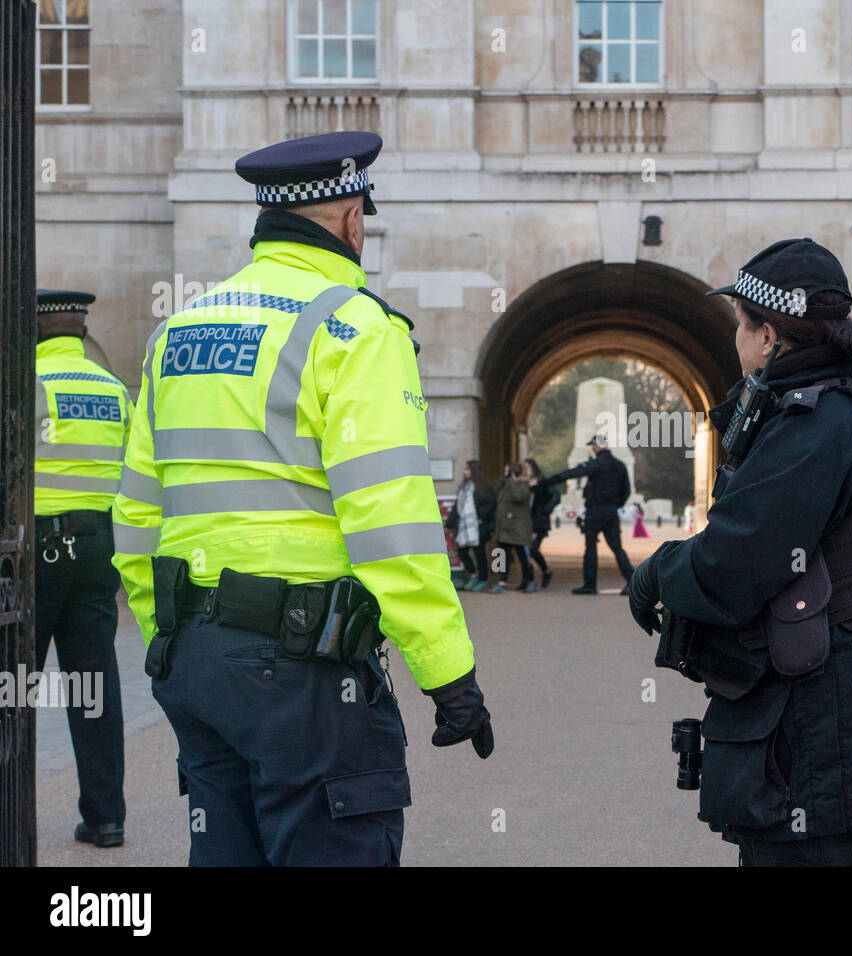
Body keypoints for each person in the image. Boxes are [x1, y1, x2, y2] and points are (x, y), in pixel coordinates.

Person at [111, 131, 494, 867]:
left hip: (193, 660)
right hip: (304, 673)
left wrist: (168, 634)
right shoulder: (353, 329)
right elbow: (392, 525)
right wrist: (450, 677)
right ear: (352, 217)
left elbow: (135, 514)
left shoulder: (178, 332)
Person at [626, 238, 852, 867]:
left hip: (821, 726)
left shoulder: (821, 424)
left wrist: (658, 572)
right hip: (846, 719)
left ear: (770, 337)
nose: (737, 343)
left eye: (740, 328)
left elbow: (737, 563)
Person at [33, 290, 128, 849]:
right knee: (94, 684)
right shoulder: (113, 390)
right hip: (98, 550)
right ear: (78, 328)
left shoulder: (27, 385)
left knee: (14, 686)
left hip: (36, 553)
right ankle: (105, 816)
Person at [540, 434, 634, 595]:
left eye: (593, 445)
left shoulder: (596, 464)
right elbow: (626, 490)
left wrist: (547, 482)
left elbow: (573, 473)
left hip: (595, 510)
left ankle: (590, 584)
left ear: (598, 446)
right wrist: (615, 506)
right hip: (611, 511)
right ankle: (632, 582)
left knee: (590, 548)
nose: (592, 448)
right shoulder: (620, 465)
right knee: (617, 548)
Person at [447, 460, 495, 592]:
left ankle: (482, 580)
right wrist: (449, 524)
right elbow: (457, 508)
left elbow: (491, 504)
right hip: (464, 527)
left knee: (479, 554)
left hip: (478, 527)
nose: (465, 471)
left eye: (467, 469)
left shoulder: (483, 487)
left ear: (474, 471)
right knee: (462, 551)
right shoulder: (464, 487)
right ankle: (473, 575)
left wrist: (478, 513)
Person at [491, 462, 536, 593]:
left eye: (508, 471)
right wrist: (503, 479)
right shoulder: (506, 484)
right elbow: (496, 491)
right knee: (501, 555)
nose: (505, 474)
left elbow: (518, 497)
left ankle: (530, 581)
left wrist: (510, 481)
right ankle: (502, 582)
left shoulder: (523, 485)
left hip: (518, 527)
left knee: (523, 556)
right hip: (505, 527)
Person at [524, 457, 559, 588]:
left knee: (532, 549)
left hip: (539, 522)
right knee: (526, 551)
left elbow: (556, 497)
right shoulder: (523, 483)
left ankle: (545, 572)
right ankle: (528, 579)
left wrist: (545, 511)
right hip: (525, 521)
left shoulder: (543, 483)